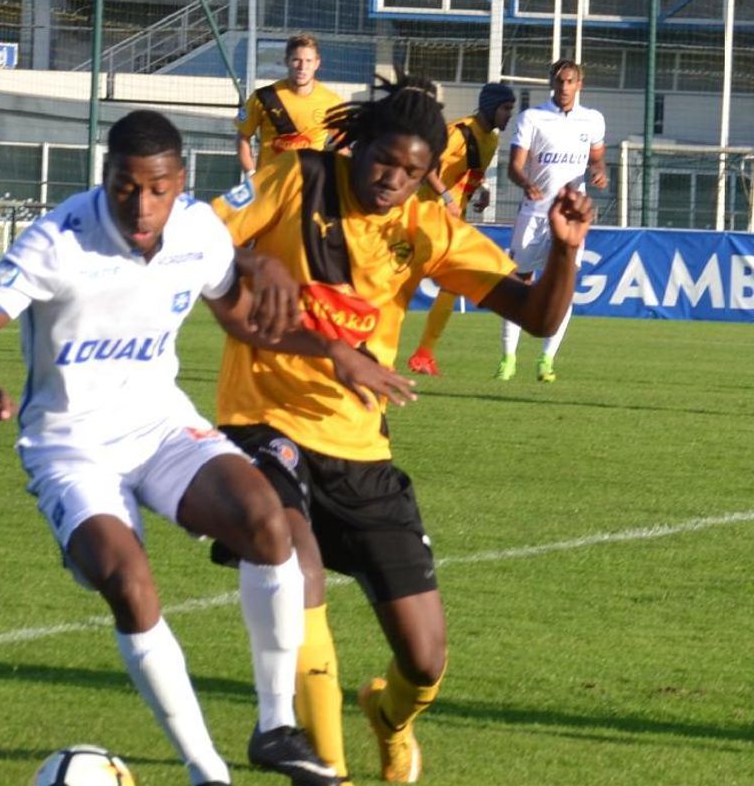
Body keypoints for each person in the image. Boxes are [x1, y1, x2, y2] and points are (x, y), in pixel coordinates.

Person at [0, 110, 344, 786]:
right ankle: (208, 771)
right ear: (106, 177)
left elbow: (237, 313)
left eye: (156, 189)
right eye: (124, 187)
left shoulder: (199, 231)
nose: (140, 206)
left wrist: (330, 350)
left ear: (180, 181)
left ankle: (274, 729)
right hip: (70, 445)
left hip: (159, 425)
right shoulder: (57, 241)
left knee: (269, 523)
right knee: (129, 582)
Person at [209, 75, 593, 783]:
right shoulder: (295, 176)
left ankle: (389, 717)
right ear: (357, 144)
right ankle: (327, 768)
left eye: (415, 171)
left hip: (360, 448)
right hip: (265, 422)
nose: (395, 180)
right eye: (386, 160)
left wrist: (565, 250)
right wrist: (246, 257)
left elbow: (538, 316)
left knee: (425, 659)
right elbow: (191, 238)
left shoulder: (425, 224)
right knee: (299, 573)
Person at [497, 59, 606, 383]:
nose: (564, 87)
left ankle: (546, 360)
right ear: (552, 83)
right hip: (534, 214)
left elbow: (598, 161)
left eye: (570, 81)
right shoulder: (532, 118)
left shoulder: (593, 120)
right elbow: (514, 166)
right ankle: (508, 358)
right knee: (520, 283)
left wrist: (599, 172)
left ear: (579, 84)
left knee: (563, 285)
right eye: (559, 81)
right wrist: (524, 182)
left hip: (570, 218)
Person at [406, 82, 516, 376]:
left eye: (511, 109)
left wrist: (482, 190)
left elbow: (469, 174)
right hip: (427, 217)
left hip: (452, 223)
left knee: (451, 286)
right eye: (506, 108)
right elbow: (426, 165)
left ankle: (423, 354)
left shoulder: (490, 141)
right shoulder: (458, 132)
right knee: (399, 282)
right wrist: (445, 196)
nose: (509, 115)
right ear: (491, 106)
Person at [235, 33, 343, 179]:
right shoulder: (264, 97)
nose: (302, 67)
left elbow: (344, 146)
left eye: (308, 61)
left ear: (317, 63)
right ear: (287, 61)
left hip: (308, 186)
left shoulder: (331, 101)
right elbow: (242, 137)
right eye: (296, 60)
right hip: (270, 184)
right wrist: (251, 174)